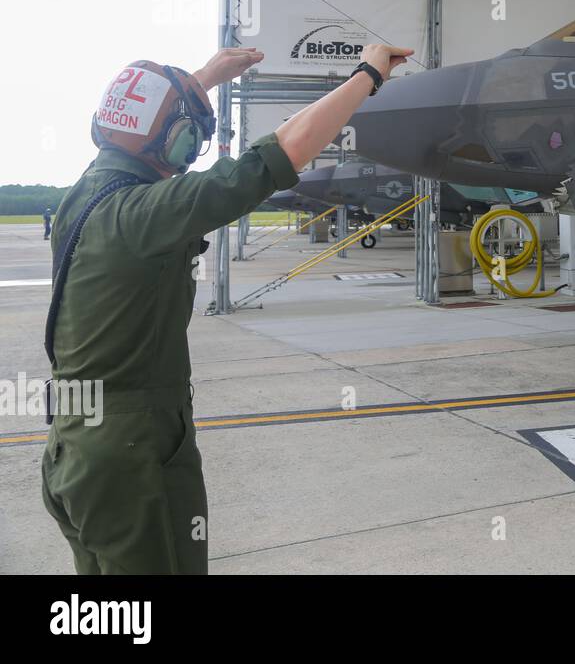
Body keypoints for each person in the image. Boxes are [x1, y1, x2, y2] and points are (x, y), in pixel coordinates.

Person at [41, 42, 411, 574]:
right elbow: (284, 150)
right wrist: (367, 75)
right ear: (173, 140)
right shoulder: (146, 212)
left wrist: (208, 76)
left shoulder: (86, 194)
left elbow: (145, 125)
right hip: (130, 453)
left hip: (73, 452)